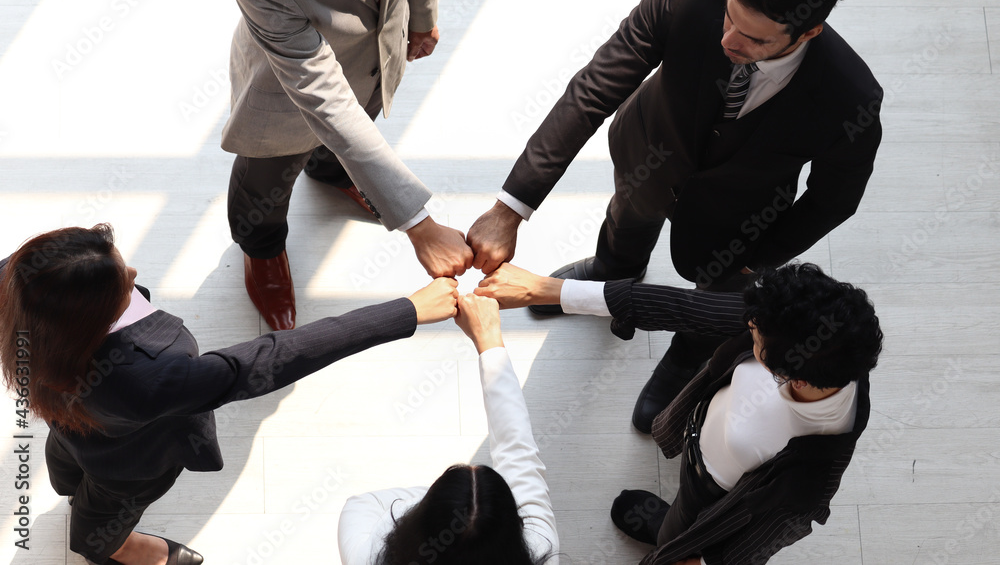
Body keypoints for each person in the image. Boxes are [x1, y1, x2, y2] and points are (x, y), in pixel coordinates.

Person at [466, 0, 883, 433]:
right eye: (729, 17)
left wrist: (757, 259)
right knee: (626, 216)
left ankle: (686, 357)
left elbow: (835, 198)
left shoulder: (851, 96)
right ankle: (612, 269)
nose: (730, 40)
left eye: (755, 39)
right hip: (649, 151)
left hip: (744, 216)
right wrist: (510, 208)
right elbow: (594, 87)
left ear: (808, 32)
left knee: (720, 293)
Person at [0, 224, 459, 565]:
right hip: (129, 463)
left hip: (67, 424)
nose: (134, 272)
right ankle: (114, 549)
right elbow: (270, 358)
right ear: (87, 321)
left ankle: (71, 491)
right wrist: (408, 311)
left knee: (67, 468)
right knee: (96, 527)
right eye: (122, 280)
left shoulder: (19, 288)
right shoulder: (148, 379)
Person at [475, 262, 882, 565]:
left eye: (755, 337)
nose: (747, 325)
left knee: (686, 527)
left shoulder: (809, 476)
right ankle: (673, 525)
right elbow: (685, 308)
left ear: (795, 376)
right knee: (681, 510)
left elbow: (766, 537)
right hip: (698, 446)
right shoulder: (815, 340)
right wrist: (548, 290)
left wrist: (702, 560)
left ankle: (675, 536)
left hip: (714, 492)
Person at [224, 0, 472, 331]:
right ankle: (262, 249)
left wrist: (421, 14)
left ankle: (333, 172)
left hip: (370, 66)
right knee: (264, 187)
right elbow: (324, 96)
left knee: (346, 138)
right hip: (288, 95)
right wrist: (419, 225)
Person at [338, 294, 559, 565]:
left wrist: (429, 501)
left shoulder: (367, 555)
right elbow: (519, 452)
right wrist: (489, 341)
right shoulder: (541, 547)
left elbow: (362, 505)